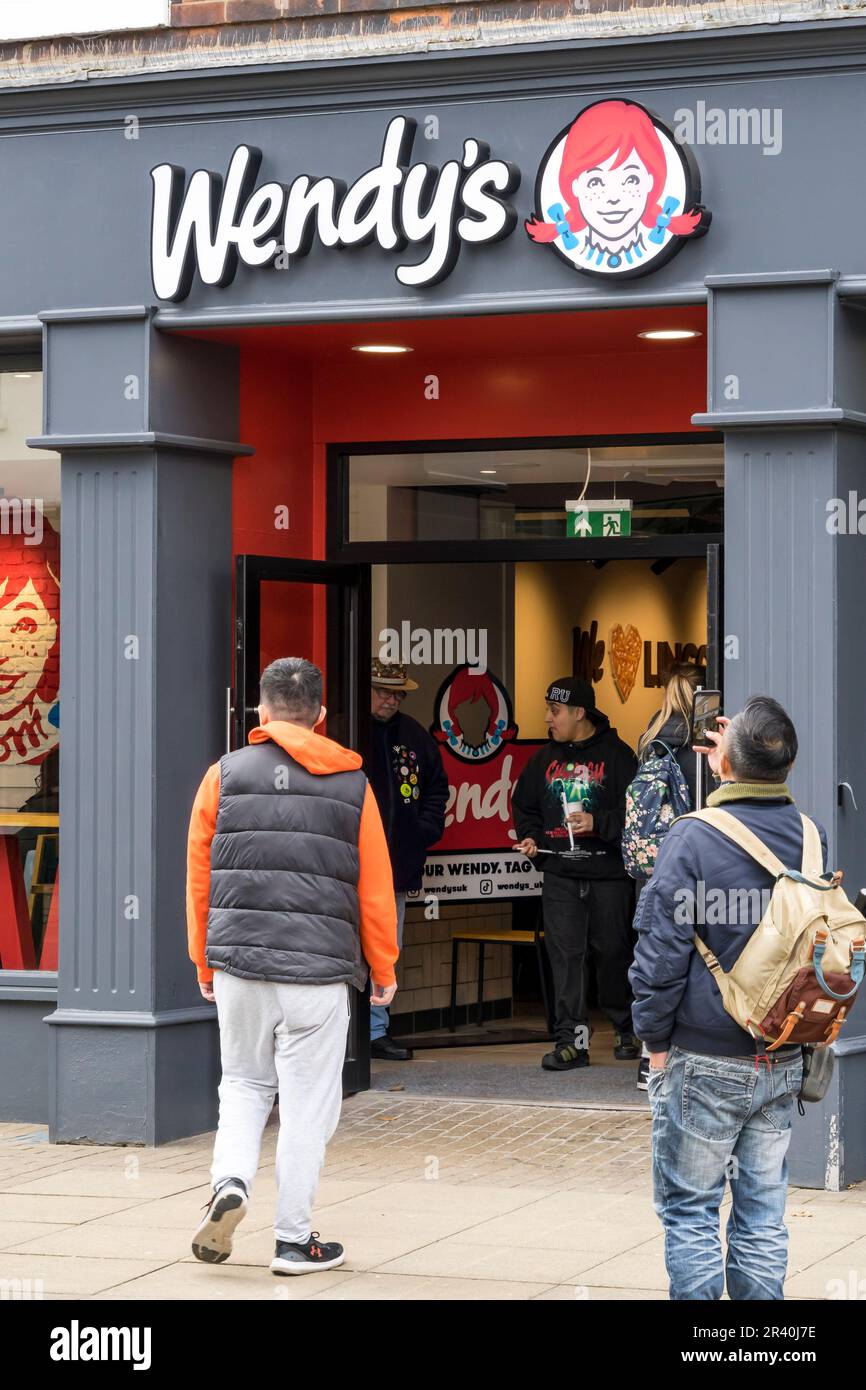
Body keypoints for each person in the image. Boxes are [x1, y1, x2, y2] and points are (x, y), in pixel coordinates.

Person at [186, 657, 398, 1275]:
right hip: (320, 973)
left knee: (244, 1085)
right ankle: (293, 1240)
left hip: (239, 965)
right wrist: (382, 966)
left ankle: (229, 1183)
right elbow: (375, 888)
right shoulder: (353, 783)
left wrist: (204, 959)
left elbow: (200, 879)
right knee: (307, 1104)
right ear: (321, 715)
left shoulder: (221, 776)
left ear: (262, 709)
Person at [628, 695, 823, 1300]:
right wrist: (737, 762)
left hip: (704, 1056)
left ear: (727, 761)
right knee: (762, 1213)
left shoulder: (692, 839)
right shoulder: (810, 837)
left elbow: (659, 952)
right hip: (782, 1052)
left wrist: (654, 1040)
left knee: (690, 1212)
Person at [512, 677, 639, 1070]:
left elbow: (638, 817)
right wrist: (531, 840)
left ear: (579, 712)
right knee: (565, 957)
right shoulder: (542, 760)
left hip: (609, 876)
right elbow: (525, 808)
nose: (548, 718)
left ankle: (626, 1026)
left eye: (555, 711)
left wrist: (598, 822)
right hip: (561, 875)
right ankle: (572, 1041)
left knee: (614, 953)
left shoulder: (619, 757)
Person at [367, 658, 448, 1061]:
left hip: (397, 865)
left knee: (387, 948)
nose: (391, 699)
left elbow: (436, 788)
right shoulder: (346, 731)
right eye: (383, 691)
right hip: (349, 866)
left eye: (397, 693)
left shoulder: (414, 735)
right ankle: (346, 1032)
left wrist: (424, 829)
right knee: (346, 949)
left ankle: (376, 1030)